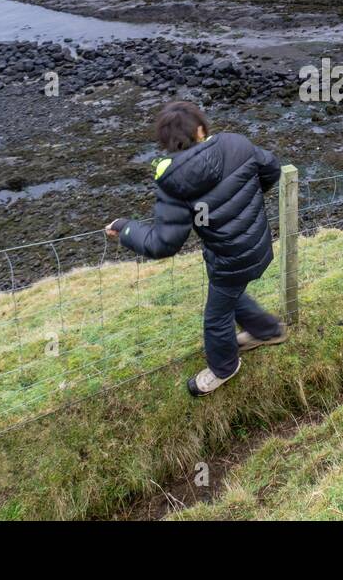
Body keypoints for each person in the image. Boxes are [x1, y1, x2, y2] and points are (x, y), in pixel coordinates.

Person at [106, 101, 288, 397]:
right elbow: (271, 168)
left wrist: (126, 228)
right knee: (230, 293)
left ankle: (224, 368)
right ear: (201, 129)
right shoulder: (235, 143)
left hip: (229, 259)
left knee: (216, 317)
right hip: (258, 243)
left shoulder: (173, 181)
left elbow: (163, 243)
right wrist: (248, 199)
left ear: (168, 143)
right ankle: (267, 330)